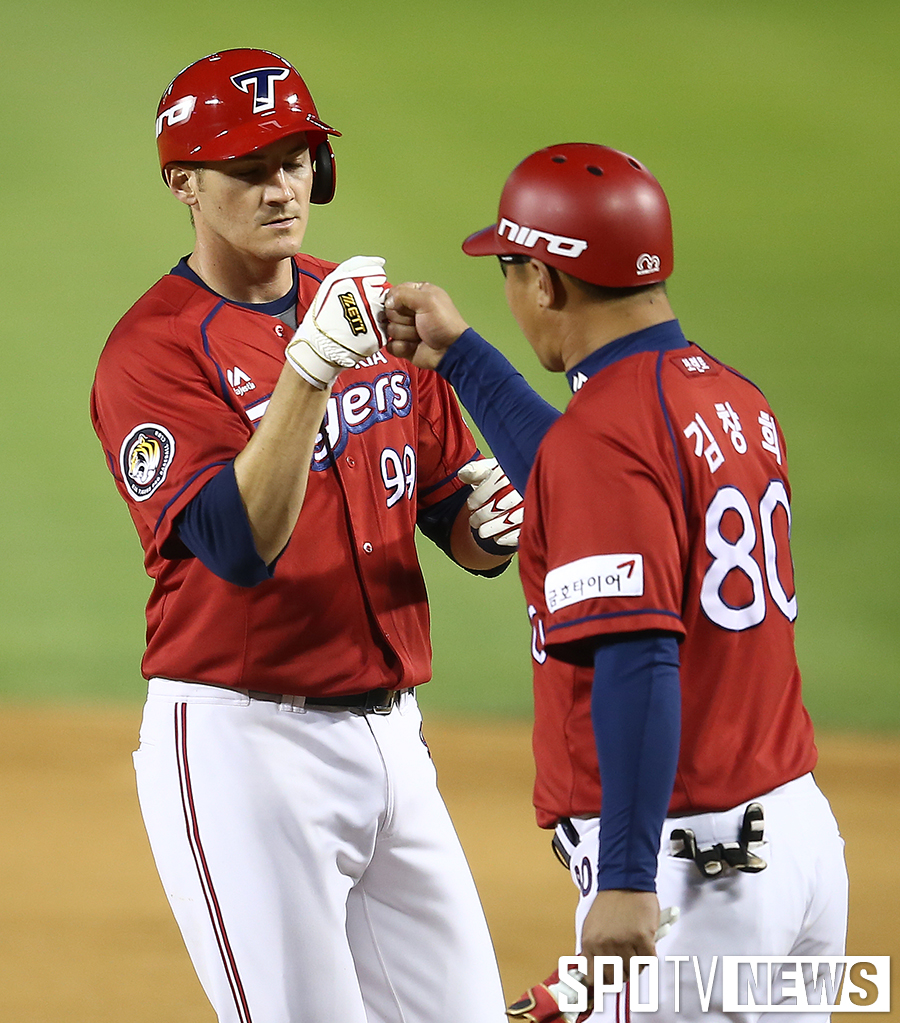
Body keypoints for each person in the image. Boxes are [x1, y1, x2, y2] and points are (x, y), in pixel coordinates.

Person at [90, 48, 521, 1023]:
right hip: (247, 747)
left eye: (295, 159)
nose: (281, 187)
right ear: (185, 184)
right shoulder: (152, 352)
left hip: (396, 743)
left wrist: (501, 523)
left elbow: (457, 513)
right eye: (249, 167)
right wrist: (308, 373)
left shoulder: (358, 307)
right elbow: (239, 546)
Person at [384, 143, 848, 1021]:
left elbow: (638, 655)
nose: (512, 296)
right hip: (795, 841)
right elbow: (578, 475)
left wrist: (630, 880)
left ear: (548, 283)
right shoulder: (727, 396)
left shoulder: (608, 435)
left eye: (512, 272)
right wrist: (462, 357)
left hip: (690, 873)